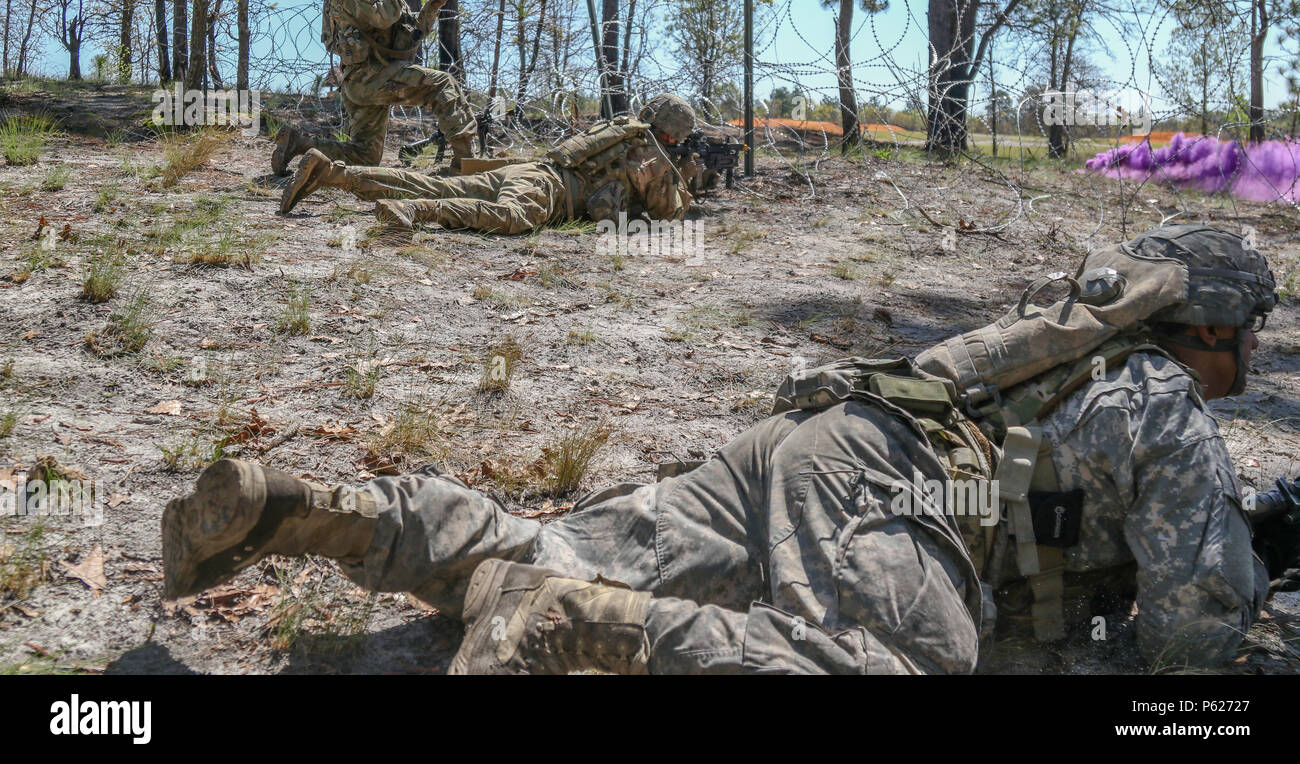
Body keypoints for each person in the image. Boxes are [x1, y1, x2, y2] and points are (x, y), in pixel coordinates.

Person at [160, 225, 1282, 674]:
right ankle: (576, 630)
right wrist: (1250, 568)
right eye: (1250, 337)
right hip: (883, 493)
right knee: (909, 664)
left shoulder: (1052, 345)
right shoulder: (1159, 399)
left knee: (555, 538)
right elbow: (1187, 637)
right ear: (1214, 330)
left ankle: (318, 509)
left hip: (807, 442)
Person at [278, 93, 698, 234]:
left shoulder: (622, 129)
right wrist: (680, 181)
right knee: (513, 218)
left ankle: (332, 171)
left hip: (528, 171)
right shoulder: (649, 154)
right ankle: (415, 213)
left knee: (430, 182)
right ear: (672, 132)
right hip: (547, 191)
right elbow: (665, 214)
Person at [270, 0, 479, 175]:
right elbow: (383, 15)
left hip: (373, 77)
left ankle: (299, 144)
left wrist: (434, 4)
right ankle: (468, 165)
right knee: (443, 85)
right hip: (366, 77)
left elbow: (407, 37)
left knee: (364, 156)